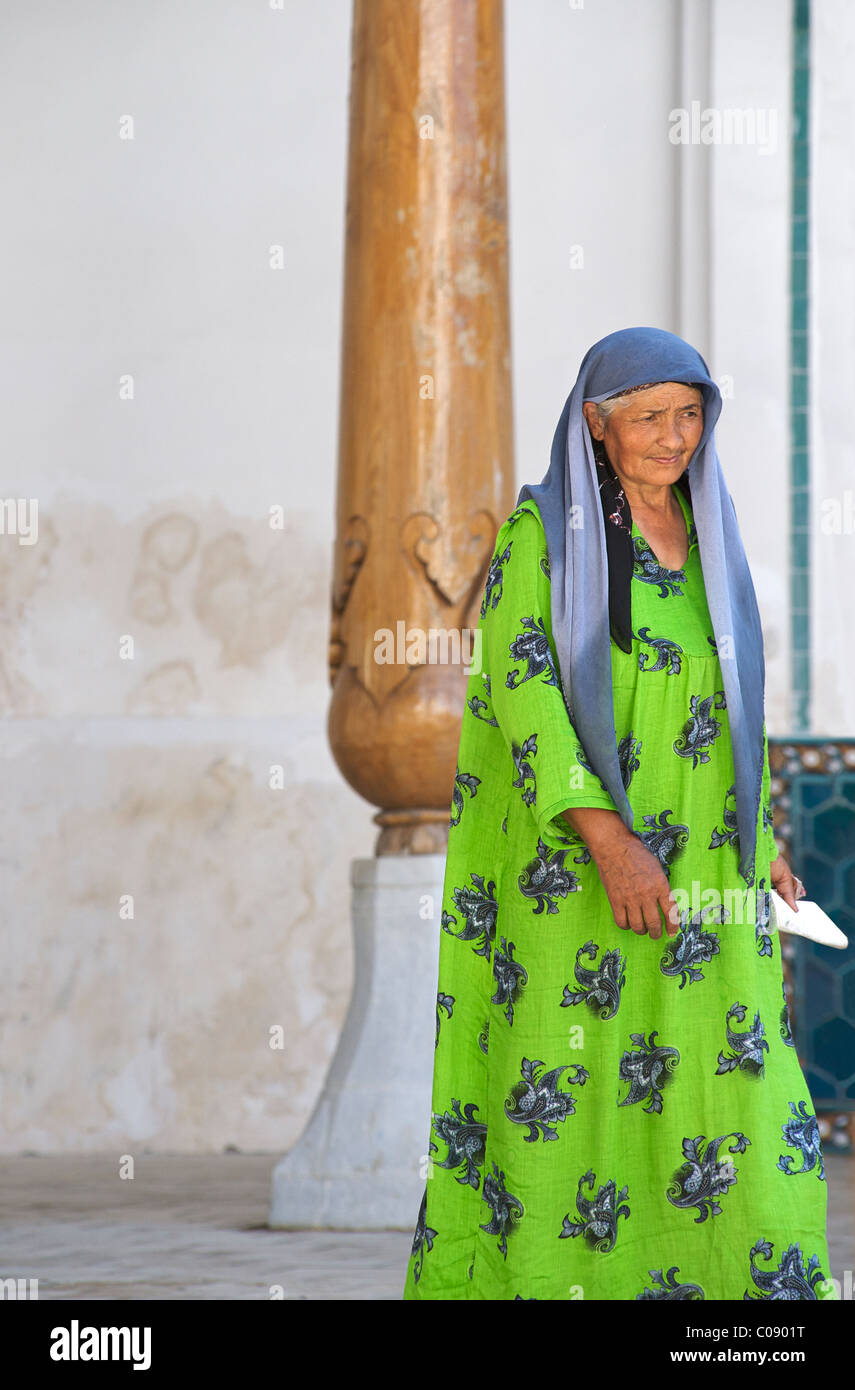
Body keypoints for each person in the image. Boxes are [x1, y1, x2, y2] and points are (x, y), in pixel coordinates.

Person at [401, 326, 835, 1301]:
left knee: (736, 1099)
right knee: (575, 1097)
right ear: (597, 425)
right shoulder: (543, 537)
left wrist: (758, 844)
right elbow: (526, 694)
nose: (672, 436)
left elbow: (735, 707)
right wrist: (609, 839)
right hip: (580, 883)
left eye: (688, 414)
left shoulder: (712, 534)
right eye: (648, 417)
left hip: (702, 887)